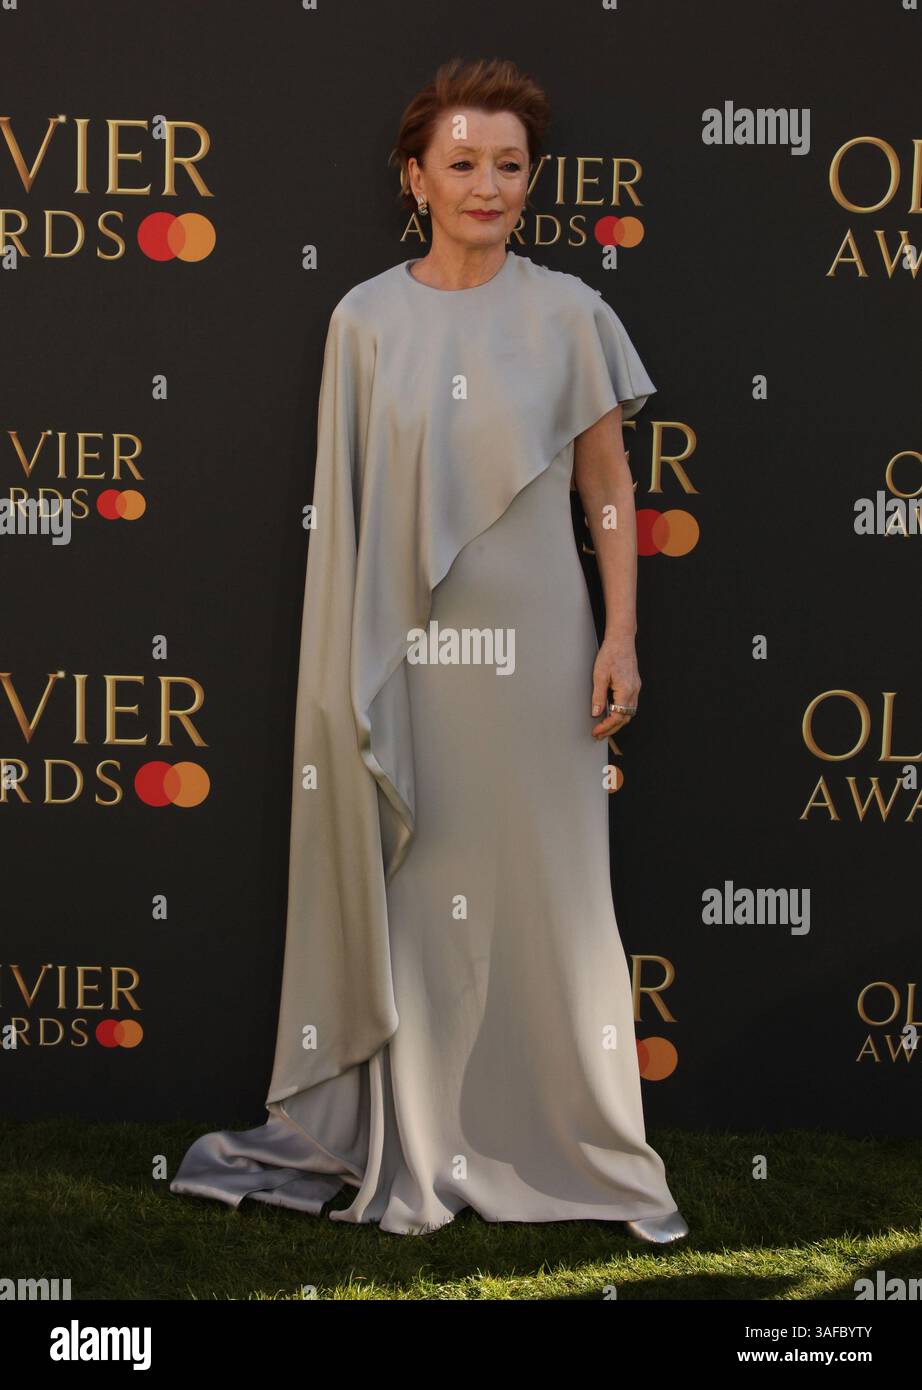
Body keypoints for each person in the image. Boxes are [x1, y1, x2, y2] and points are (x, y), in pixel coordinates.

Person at [170, 56, 688, 1244]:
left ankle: (558, 1136)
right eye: (463, 163)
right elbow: (349, 519)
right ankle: (416, 1139)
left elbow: (608, 491)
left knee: (550, 900)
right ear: (416, 176)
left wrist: (620, 634)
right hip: (413, 658)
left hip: (544, 653)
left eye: (508, 165)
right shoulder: (362, 319)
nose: (487, 185)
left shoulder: (571, 313)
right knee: (418, 897)